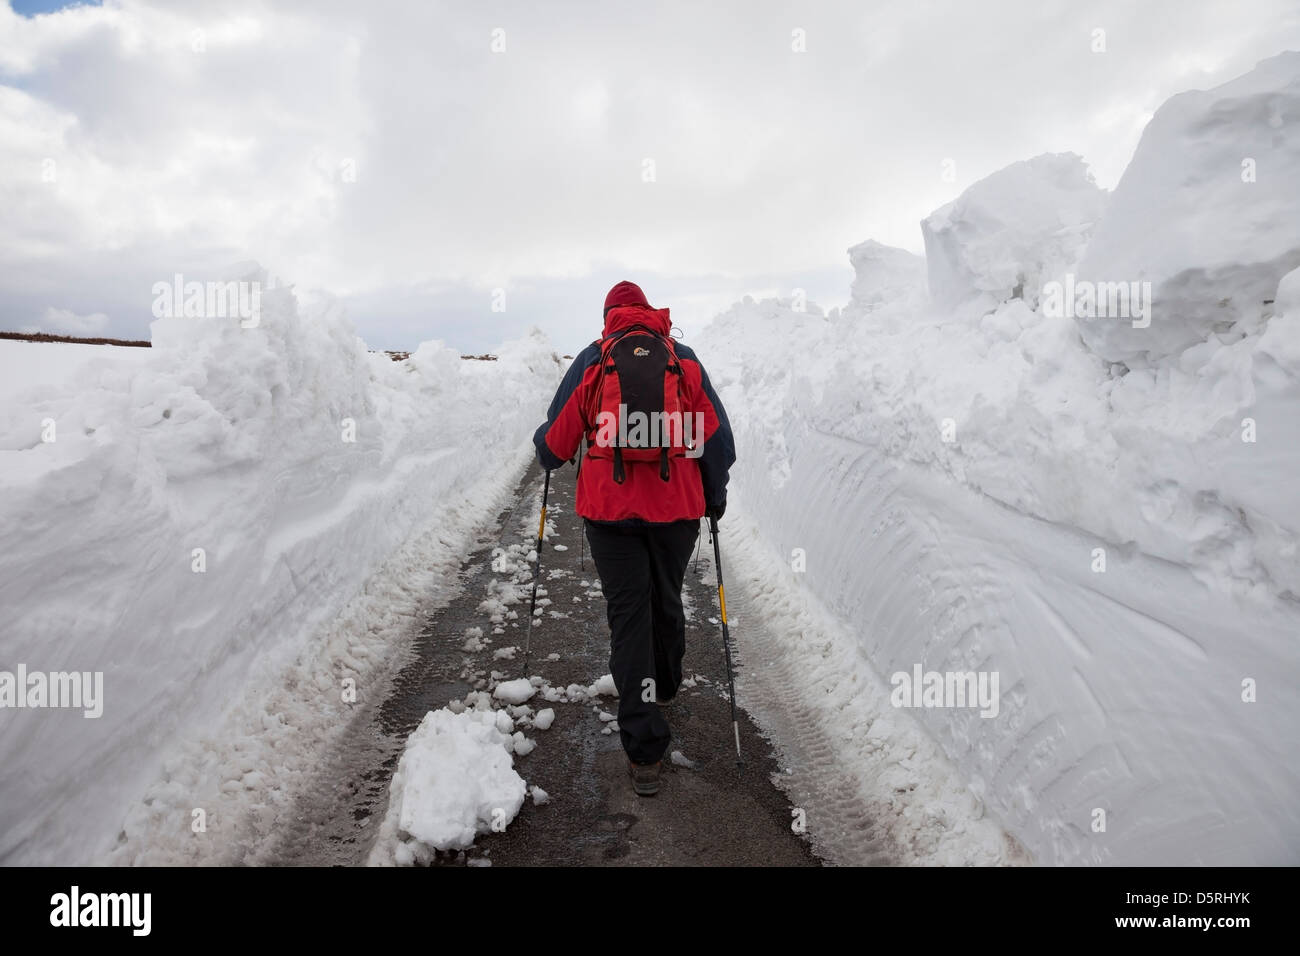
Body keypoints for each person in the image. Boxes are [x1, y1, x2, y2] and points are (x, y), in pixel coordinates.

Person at [533, 280, 735, 796]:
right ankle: (664, 684)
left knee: (628, 619)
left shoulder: (592, 359)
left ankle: (645, 753)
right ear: (649, 313)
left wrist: (545, 448)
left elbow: (556, 443)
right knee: (665, 599)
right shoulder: (682, 358)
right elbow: (716, 438)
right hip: (676, 513)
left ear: (609, 317)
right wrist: (713, 495)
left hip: (610, 515)